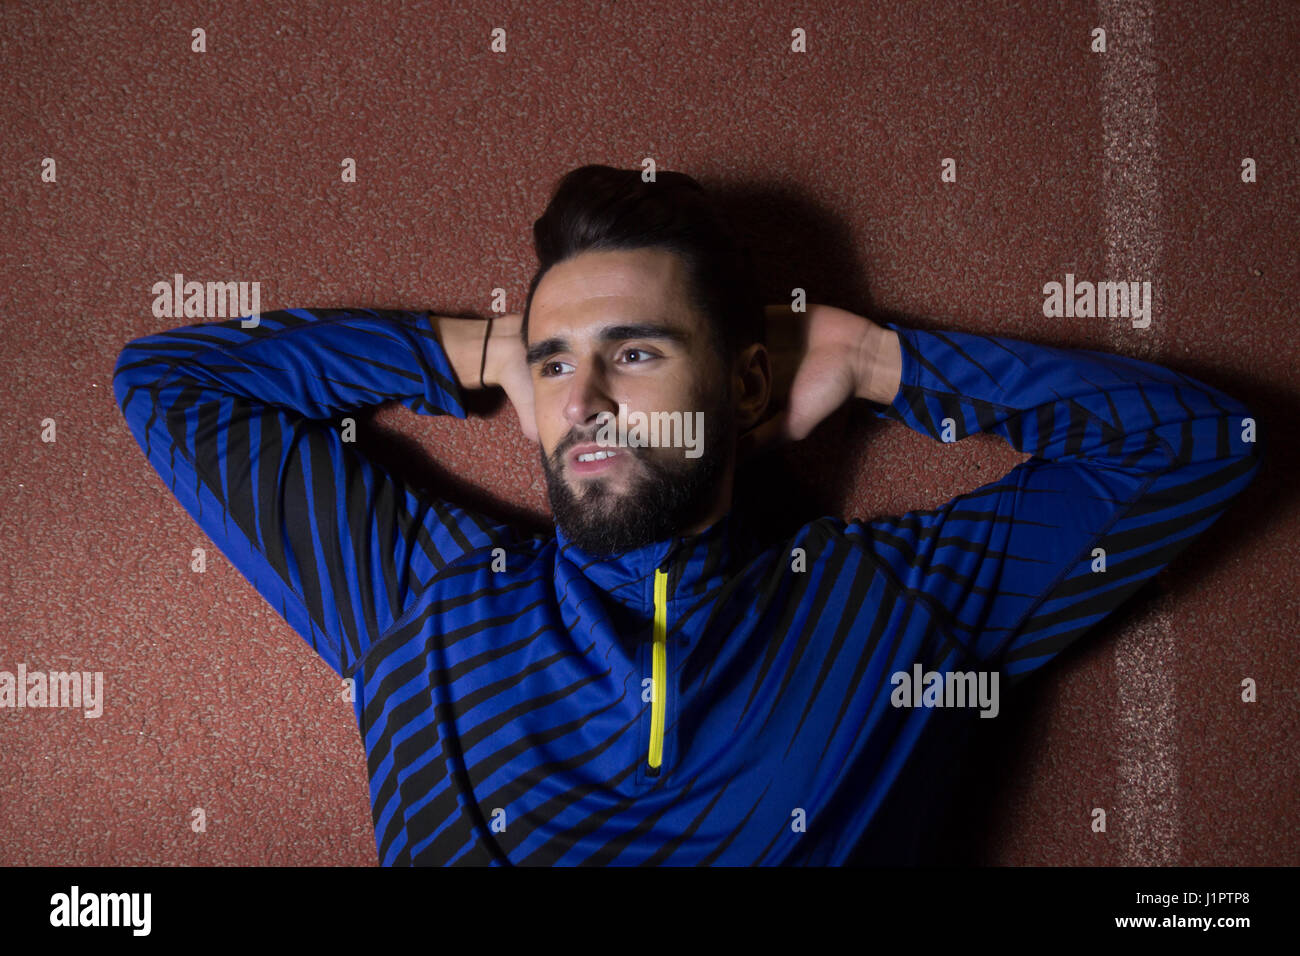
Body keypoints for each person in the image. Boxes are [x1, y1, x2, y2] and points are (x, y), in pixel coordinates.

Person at [112, 164, 1262, 865]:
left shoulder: (901, 608)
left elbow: (1198, 442)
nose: (588, 399)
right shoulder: (418, 598)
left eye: (638, 352)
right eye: (556, 363)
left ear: (748, 387)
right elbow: (169, 383)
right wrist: (468, 353)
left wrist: (876, 360)